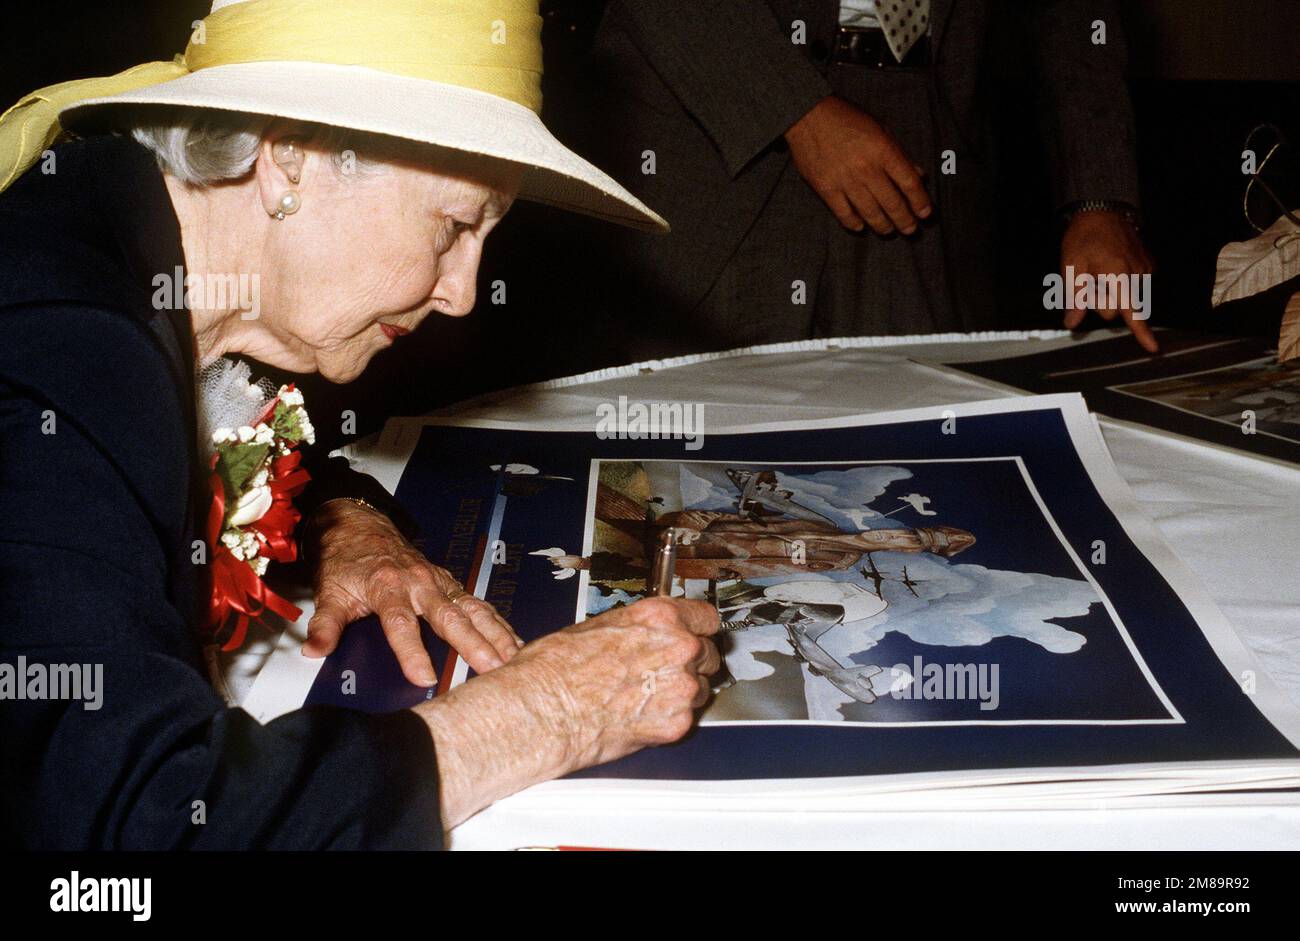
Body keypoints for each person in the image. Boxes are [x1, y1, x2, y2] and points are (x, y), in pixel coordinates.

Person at [0, 0, 719, 849]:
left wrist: (338, 517)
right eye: (452, 225)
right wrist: (548, 711)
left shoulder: (150, 261)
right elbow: (142, 823)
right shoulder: (56, 340)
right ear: (291, 159)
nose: (459, 291)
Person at [576, 0, 1157, 358]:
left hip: (932, 170)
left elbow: (1073, 15)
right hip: (712, 147)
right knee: (681, 482)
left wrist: (1098, 200)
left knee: (916, 461)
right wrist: (792, 107)